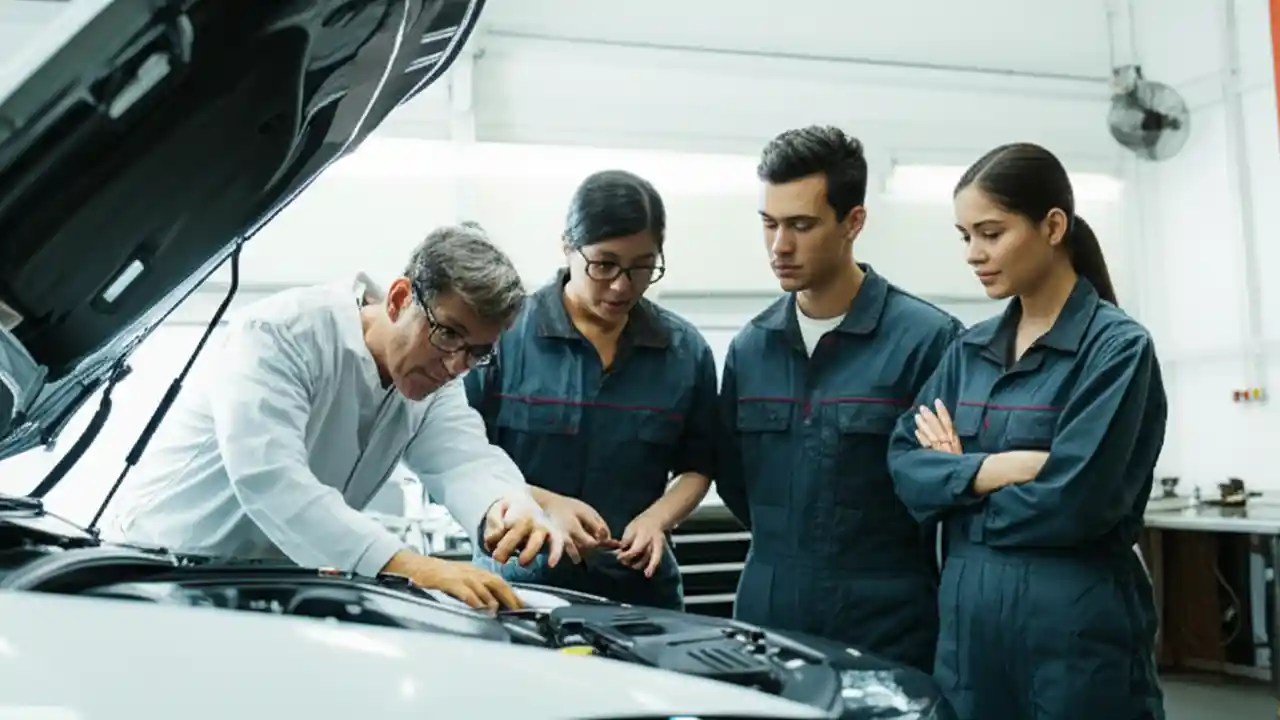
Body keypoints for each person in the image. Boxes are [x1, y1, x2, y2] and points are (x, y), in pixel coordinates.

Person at [110, 223, 565, 611]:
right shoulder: (282, 334)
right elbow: (272, 479)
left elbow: (464, 459)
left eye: (477, 352)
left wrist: (507, 506)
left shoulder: (434, 381)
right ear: (400, 298)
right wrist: (414, 568)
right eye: (448, 334)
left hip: (271, 588)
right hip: (160, 573)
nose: (454, 366)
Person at [887, 143, 1166, 720]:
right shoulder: (968, 350)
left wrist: (956, 487)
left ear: (1053, 226)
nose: (973, 253)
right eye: (964, 236)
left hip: (1073, 632)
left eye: (990, 232)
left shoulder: (1116, 350)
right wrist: (995, 469)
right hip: (969, 636)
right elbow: (903, 462)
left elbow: (1076, 502)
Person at [716, 125, 963, 672]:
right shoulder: (751, 348)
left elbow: (947, 491)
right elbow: (736, 480)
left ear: (853, 222)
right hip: (769, 617)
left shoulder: (928, 341)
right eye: (769, 224)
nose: (780, 245)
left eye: (801, 225)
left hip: (888, 622)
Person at [465, 170, 718, 610]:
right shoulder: (502, 336)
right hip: (519, 592)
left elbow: (699, 465)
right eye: (603, 265)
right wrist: (543, 504)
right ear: (568, 246)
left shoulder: (685, 351)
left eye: (642, 267)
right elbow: (459, 456)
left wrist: (657, 519)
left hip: (640, 595)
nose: (622, 285)